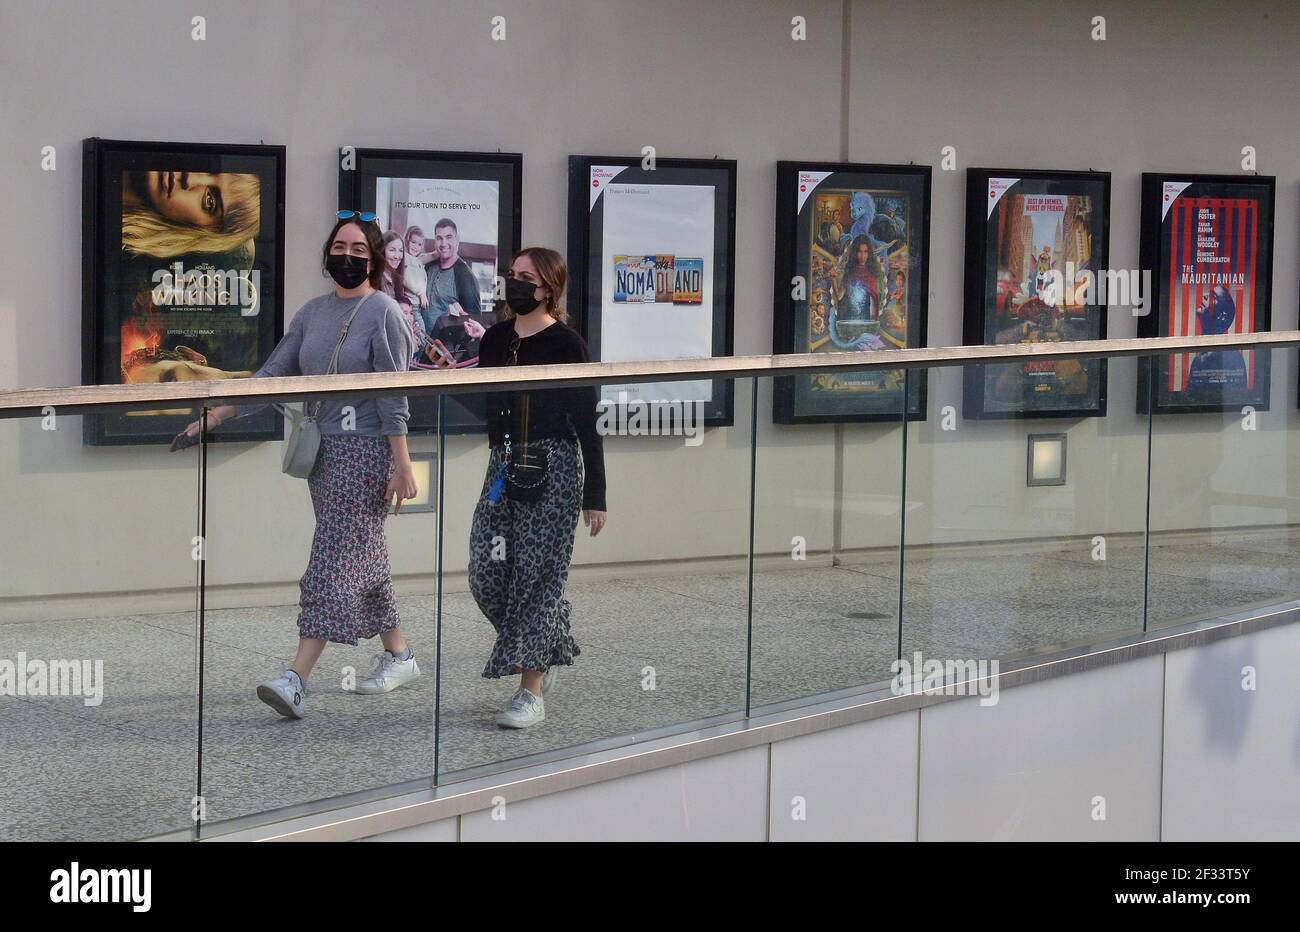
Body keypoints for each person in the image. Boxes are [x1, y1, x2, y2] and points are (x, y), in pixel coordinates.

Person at [176, 214, 421, 718]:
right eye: (338, 246)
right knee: (360, 553)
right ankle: (400, 656)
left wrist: (403, 464)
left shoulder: (384, 313)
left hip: (367, 452)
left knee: (332, 560)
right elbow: (274, 375)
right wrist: (219, 411)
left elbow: (394, 394)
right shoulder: (312, 312)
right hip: (323, 455)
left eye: (357, 248)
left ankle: (296, 677)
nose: (346, 256)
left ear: (374, 258)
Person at [468, 247, 607, 729]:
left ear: (548, 288)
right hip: (503, 464)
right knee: (486, 573)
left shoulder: (567, 343)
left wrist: (596, 493)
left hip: (556, 465)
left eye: (526, 277)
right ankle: (548, 639)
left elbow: (588, 421)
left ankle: (530, 690)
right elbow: (481, 403)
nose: (515, 284)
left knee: (538, 577)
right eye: (511, 276)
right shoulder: (494, 338)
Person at [422, 218, 492, 366]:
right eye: (439, 238)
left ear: (457, 240)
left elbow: (474, 322)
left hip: (443, 357)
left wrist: (457, 317)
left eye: (449, 237)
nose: (443, 243)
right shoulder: (430, 266)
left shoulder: (465, 276)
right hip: (421, 348)